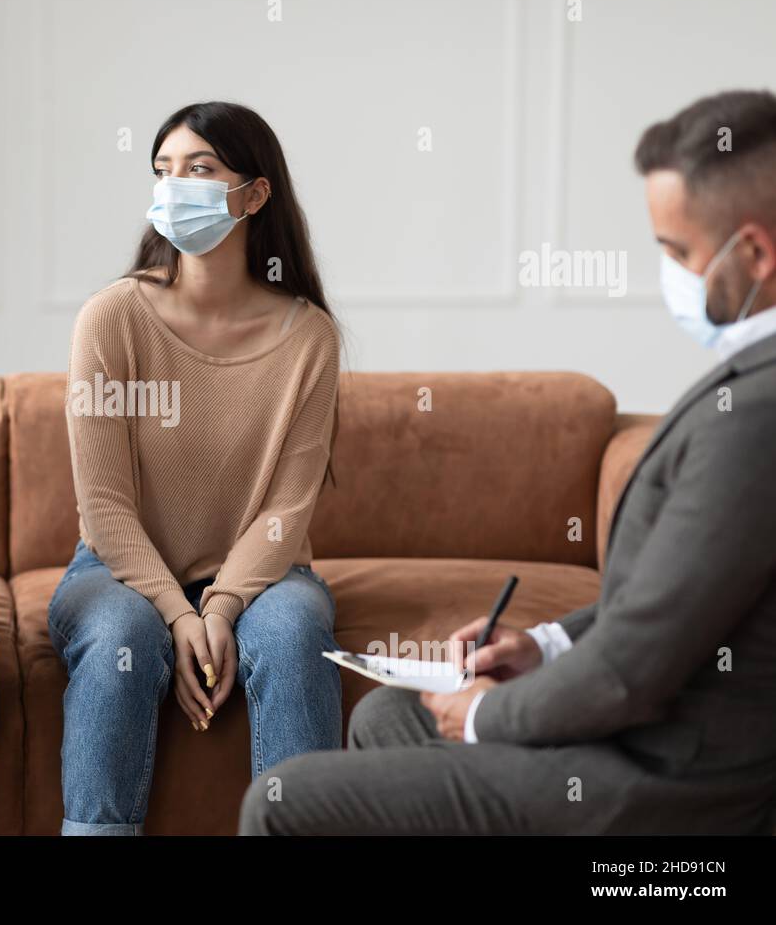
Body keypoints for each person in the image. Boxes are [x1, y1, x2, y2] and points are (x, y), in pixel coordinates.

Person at [239, 89, 776, 835]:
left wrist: (489, 715)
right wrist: (546, 645)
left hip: (667, 781)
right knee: (395, 716)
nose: (669, 276)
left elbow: (633, 668)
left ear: (754, 254)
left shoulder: (755, 418)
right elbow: (680, 599)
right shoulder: (751, 381)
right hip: (656, 732)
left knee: (282, 803)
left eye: (677, 252)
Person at [51, 101, 344, 835]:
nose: (174, 187)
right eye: (163, 171)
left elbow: (289, 507)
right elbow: (106, 509)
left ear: (254, 194)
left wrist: (218, 608)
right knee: (122, 635)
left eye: (200, 169)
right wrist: (179, 613)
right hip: (117, 569)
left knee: (295, 626)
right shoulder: (111, 318)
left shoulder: (308, 336)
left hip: (261, 573)